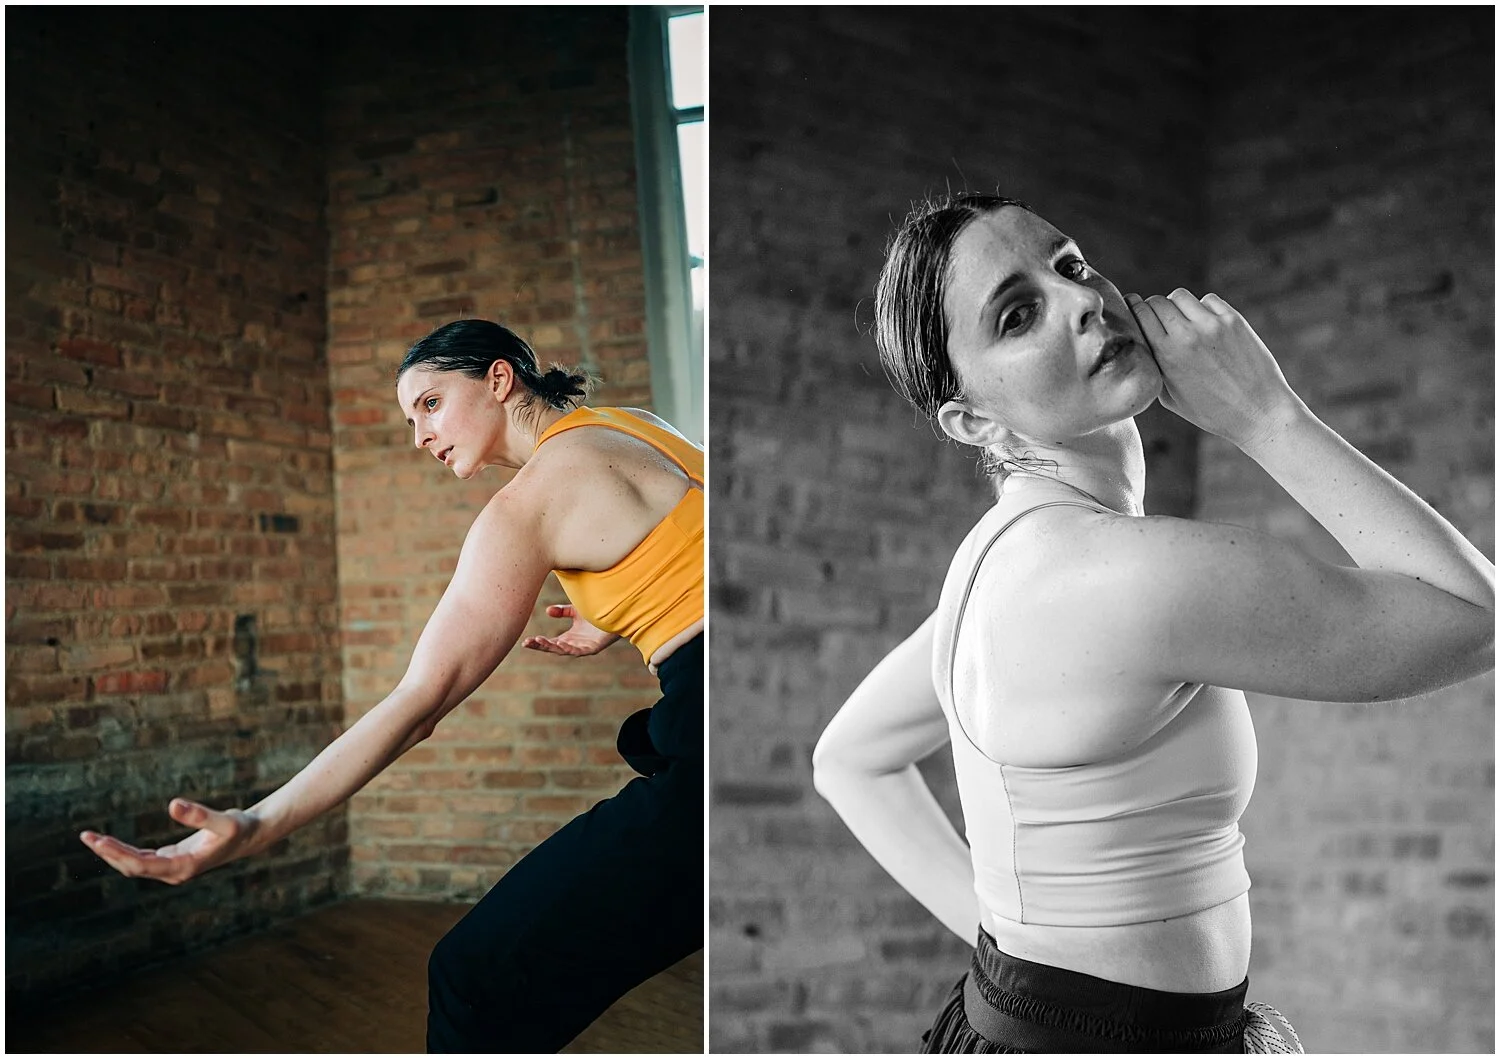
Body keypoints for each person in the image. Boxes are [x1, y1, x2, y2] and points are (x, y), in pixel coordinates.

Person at [812, 194, 1494, 1053]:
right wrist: (1266, 415)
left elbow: (849, 757)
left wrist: (1014, 951)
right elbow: (1474, 619)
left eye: (1069, 264)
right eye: (1018, 315)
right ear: (973, 419)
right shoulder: (1123, 574)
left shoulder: (998, 562)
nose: (1083, 300)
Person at [81, 319, 704, 1053]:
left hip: (716, 743)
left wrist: (254, 826)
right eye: (412, 419)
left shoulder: (526, 507)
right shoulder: (635, 426)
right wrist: (619, 607)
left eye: (432, 403)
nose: (420, 436)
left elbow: (418, 704)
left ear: (499, 379)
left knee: (474, 978)